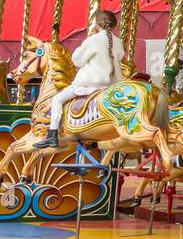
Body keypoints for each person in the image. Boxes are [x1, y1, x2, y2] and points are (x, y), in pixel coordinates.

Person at [34, 9, 125, 149]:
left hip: (90, 83)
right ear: (113, 26)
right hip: (112, 85)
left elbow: (77, 60)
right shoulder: (118, 42)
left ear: (96, 25)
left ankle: (52, 135)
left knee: (57, 99)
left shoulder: (93, 40)